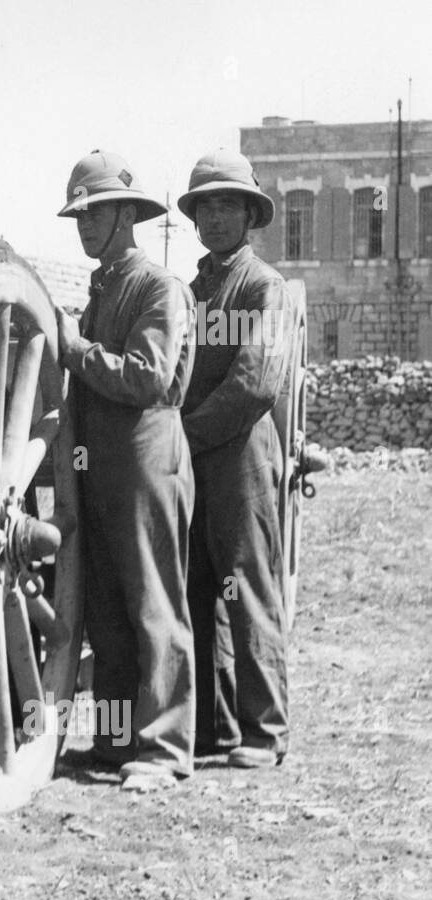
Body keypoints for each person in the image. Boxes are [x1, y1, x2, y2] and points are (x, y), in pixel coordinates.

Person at [54, 150, 197, 791]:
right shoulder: (104, 289)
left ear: (126, 216)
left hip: (145, 463)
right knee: (107, 611)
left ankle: (164, 750)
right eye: (79, 214)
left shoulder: (157, 288)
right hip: (102, 468)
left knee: (153, 606)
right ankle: (115, 742)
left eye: (96, 212)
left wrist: (75, 349)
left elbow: (149, 377)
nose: (85, 225)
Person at [177, 150, 291, 769]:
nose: (216, 217)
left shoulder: (262, 286)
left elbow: (254, 384)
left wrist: (183, 436)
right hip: (193, 459)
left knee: (247, 589)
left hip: (241, 457)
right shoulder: (192, 289)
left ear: (250, 213)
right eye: (206, 206)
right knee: (197, 589)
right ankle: (210, 728)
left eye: (228, 205)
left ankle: (265, 730)